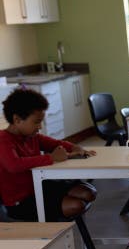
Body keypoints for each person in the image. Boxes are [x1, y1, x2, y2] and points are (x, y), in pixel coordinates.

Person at [0, 87, 96, 222]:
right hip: (20, 202)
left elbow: (56, 144)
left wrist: (75, 147)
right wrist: (50, 158)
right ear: (17, 120)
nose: (40, 127)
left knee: (89, 193)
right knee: (76, 205)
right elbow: (14, 165)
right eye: (36, 122)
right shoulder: (3, 139)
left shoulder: (31, 136)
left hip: (40, 187)